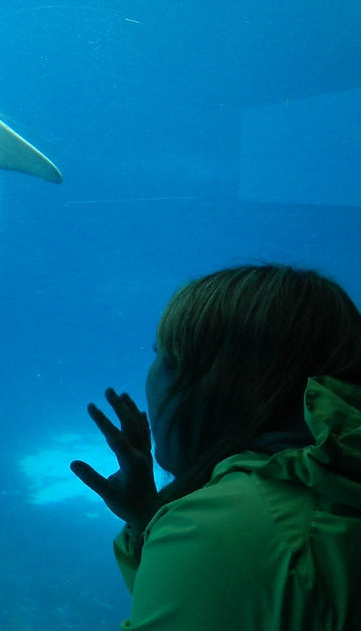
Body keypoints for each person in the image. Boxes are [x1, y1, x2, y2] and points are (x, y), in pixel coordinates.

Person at [71, 264, 361, 629]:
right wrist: (151, 518)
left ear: (213, 383)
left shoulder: (228, 534)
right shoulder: (330, 492)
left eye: (162, 354)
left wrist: (188, 532)